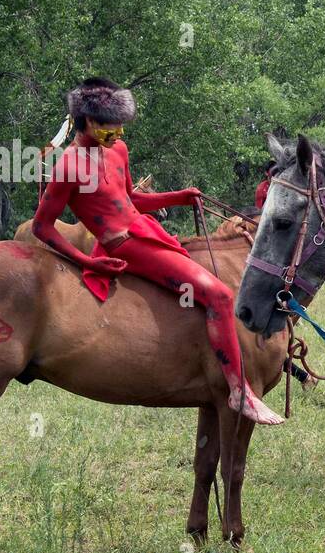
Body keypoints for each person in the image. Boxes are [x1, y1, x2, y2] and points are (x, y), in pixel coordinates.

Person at [32, 77, 281, 425]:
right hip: (124, 244)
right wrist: (86, 260)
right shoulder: (69, 166)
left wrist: (178, 196)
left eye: (121, 124)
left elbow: (130, 199)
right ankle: (239, 391)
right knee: (219, 295)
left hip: (148, 231)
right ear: (88, 121)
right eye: (111, 125)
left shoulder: (117, 150)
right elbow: (41, 227)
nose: (118, 131)